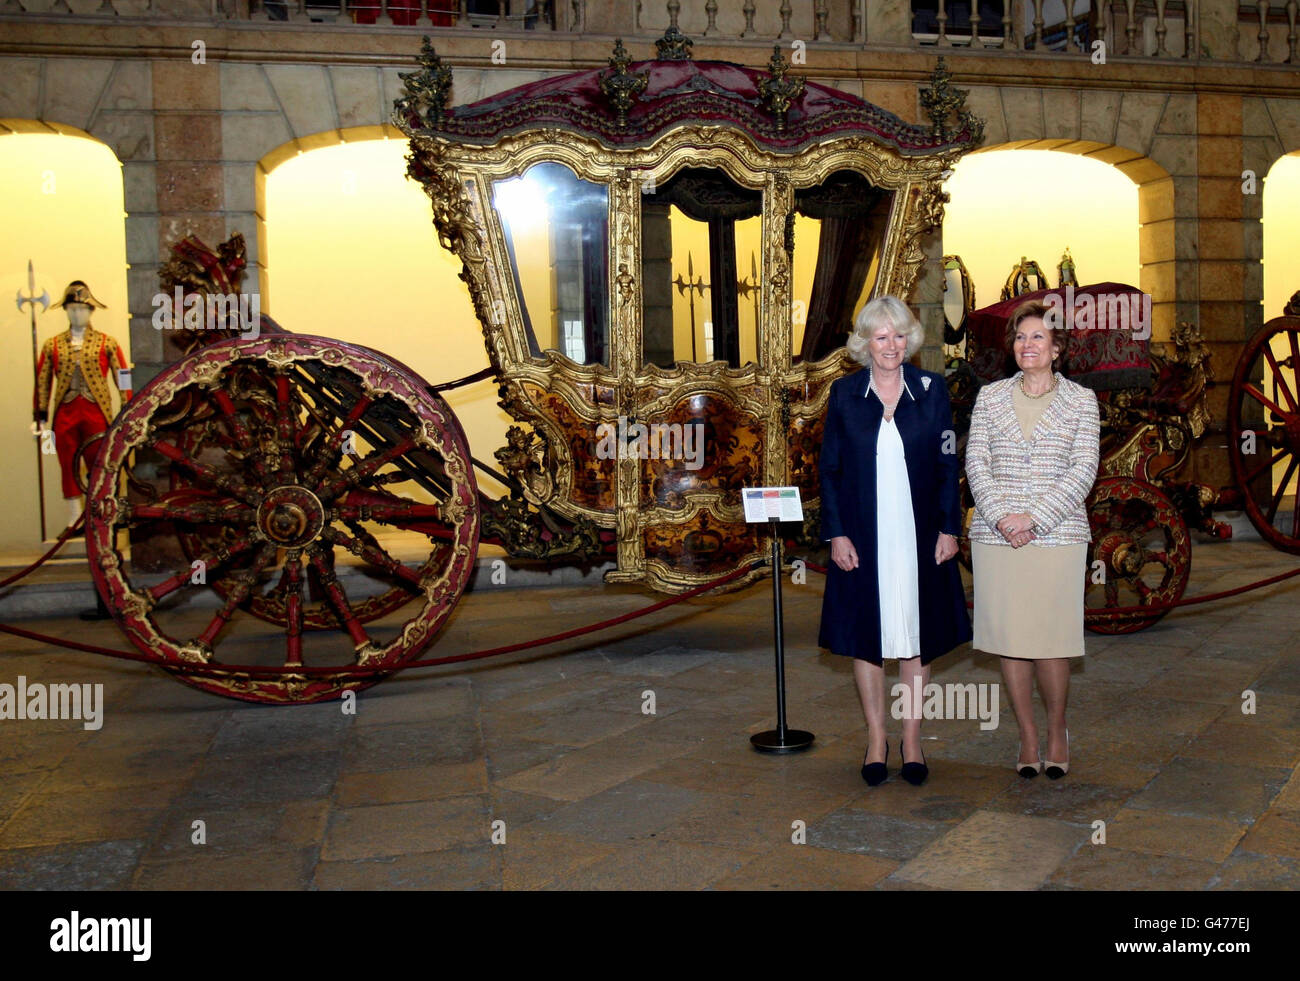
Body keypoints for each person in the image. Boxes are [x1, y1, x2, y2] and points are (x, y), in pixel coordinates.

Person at [818, 296, 971, 787]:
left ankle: (911, 740)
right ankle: (876, 739)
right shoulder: (843, 394)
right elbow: (830, 471)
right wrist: (836, 533)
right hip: (864, 536)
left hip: (919, 534)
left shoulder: (933, 390)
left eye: (899, 335)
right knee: (869, 636)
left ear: (911, 339)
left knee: (915, 635)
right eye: (880, 336)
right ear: (865, 343)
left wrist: (950, 528)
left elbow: (949, 463)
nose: (891, 345)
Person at [965, 299, 1099, 780]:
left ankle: (1057, 730)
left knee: (1051, 642)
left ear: (1057, 348)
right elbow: (975, 463)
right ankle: (1026, 736)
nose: (1028, 345)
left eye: (1039, 337)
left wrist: (1034, 519)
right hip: (997, 539)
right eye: (1021, 337)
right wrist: (1003, 518)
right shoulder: (990, 397)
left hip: (1057, 537)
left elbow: (1083, 470)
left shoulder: (1082, 402)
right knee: (1012, 641)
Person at [32, 281, 132, 529]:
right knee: (67, 462)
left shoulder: (107, 342)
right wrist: (39, 416)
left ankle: (99, 512)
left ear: (90, 311)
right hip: (65, 413)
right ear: (66, 310)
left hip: (96, 411)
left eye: (82, 308)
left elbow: (123, 374)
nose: (77, 313)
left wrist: (127, 405)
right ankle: (74, 516)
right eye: (72, 308)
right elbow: (42, 382)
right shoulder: (52, 345)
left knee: (100, 460)